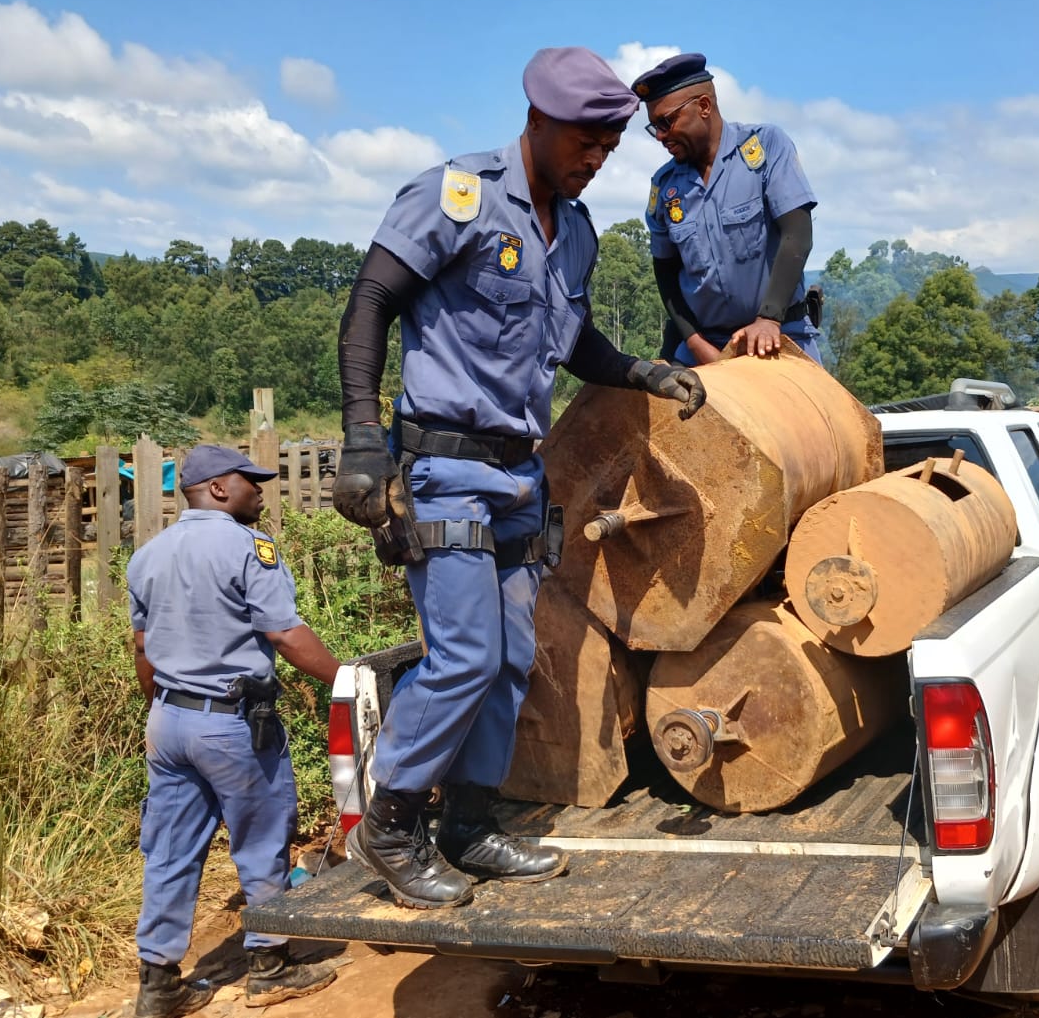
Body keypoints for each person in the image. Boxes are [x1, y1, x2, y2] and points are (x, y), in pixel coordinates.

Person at [332, 48, 706, 910]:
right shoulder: (455, 196)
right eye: (586, 143)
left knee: (506, 662)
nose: (596, 161)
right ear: (538, 122)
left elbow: (570, 341)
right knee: (462, 656)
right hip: (446, 470)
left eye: (610, 150)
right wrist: (362, 437)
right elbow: (370, 304)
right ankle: (390, 827)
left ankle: (469, 824)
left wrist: (641, 373)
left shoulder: (574, 232)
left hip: (517, 479)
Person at [126, 445, 342, 1018]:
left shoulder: (146, 557)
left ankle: (157, 988)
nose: (261, 490)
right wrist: (348, 677)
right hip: (233, 722)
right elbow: (284, 632)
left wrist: (165, 711)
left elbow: (143, 651)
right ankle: (269, 966)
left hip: (168, 723)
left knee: (169, 849)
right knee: (262, 834)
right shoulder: (251, 549)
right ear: (218, 489)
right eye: (251, 482)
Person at [631, 52, 821, 366]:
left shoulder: (765, 148)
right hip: (705, 346)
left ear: (704, 106)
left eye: (666, 122)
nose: (661, 136)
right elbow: (665, 271)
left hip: (778, 334)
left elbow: (797, 234)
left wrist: (769, 318)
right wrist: (694, 341)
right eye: (654, 128)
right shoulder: (665, 187)